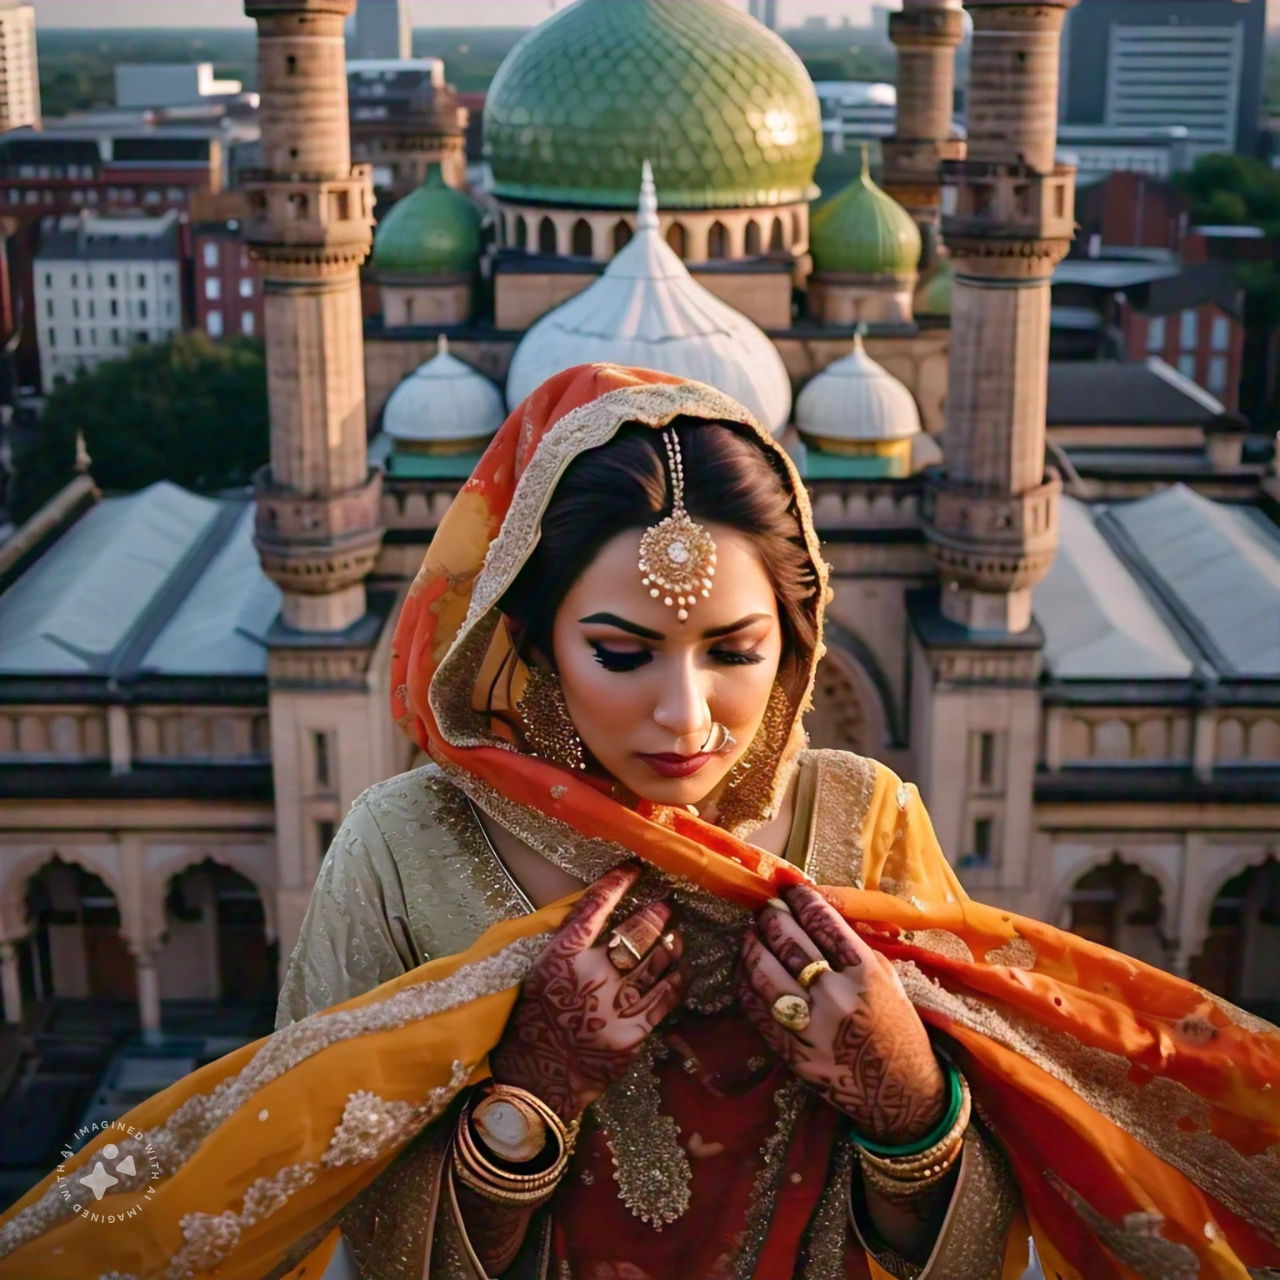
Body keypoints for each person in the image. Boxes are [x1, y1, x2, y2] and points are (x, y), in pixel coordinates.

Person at [0, 365, 1275, 1280]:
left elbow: (981, 1232)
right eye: (620, 650)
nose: (685, 714)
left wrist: (903, 1097)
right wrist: (535, 1090)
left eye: (734, 651)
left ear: (798, 642)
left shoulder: (860, 818)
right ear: (534, 636)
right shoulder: (405, 844)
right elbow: (354, 1226)